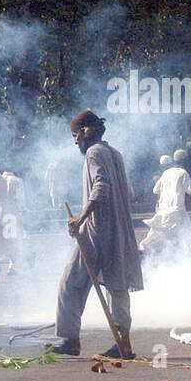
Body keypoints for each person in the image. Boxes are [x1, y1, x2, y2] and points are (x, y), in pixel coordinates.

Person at [49, 110, 143, 358]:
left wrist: (80, 218)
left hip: (96, 231)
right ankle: (124, 344)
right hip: (119, 231)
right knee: (117, 287)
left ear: (85, 132)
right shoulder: (115, 153)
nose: (74, 141)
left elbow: (101, 186)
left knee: (70, 282)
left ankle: (71, 341)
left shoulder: (94, 153)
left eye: (75, 135)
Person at [139, 148, 191, 254]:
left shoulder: (166, 173)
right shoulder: (183, 172)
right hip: (177, 212)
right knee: (186, 238)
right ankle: (187, 261)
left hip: (163, 211)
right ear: (184, 161)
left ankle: (142, 251)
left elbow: (155, 190)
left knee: (153, 237)